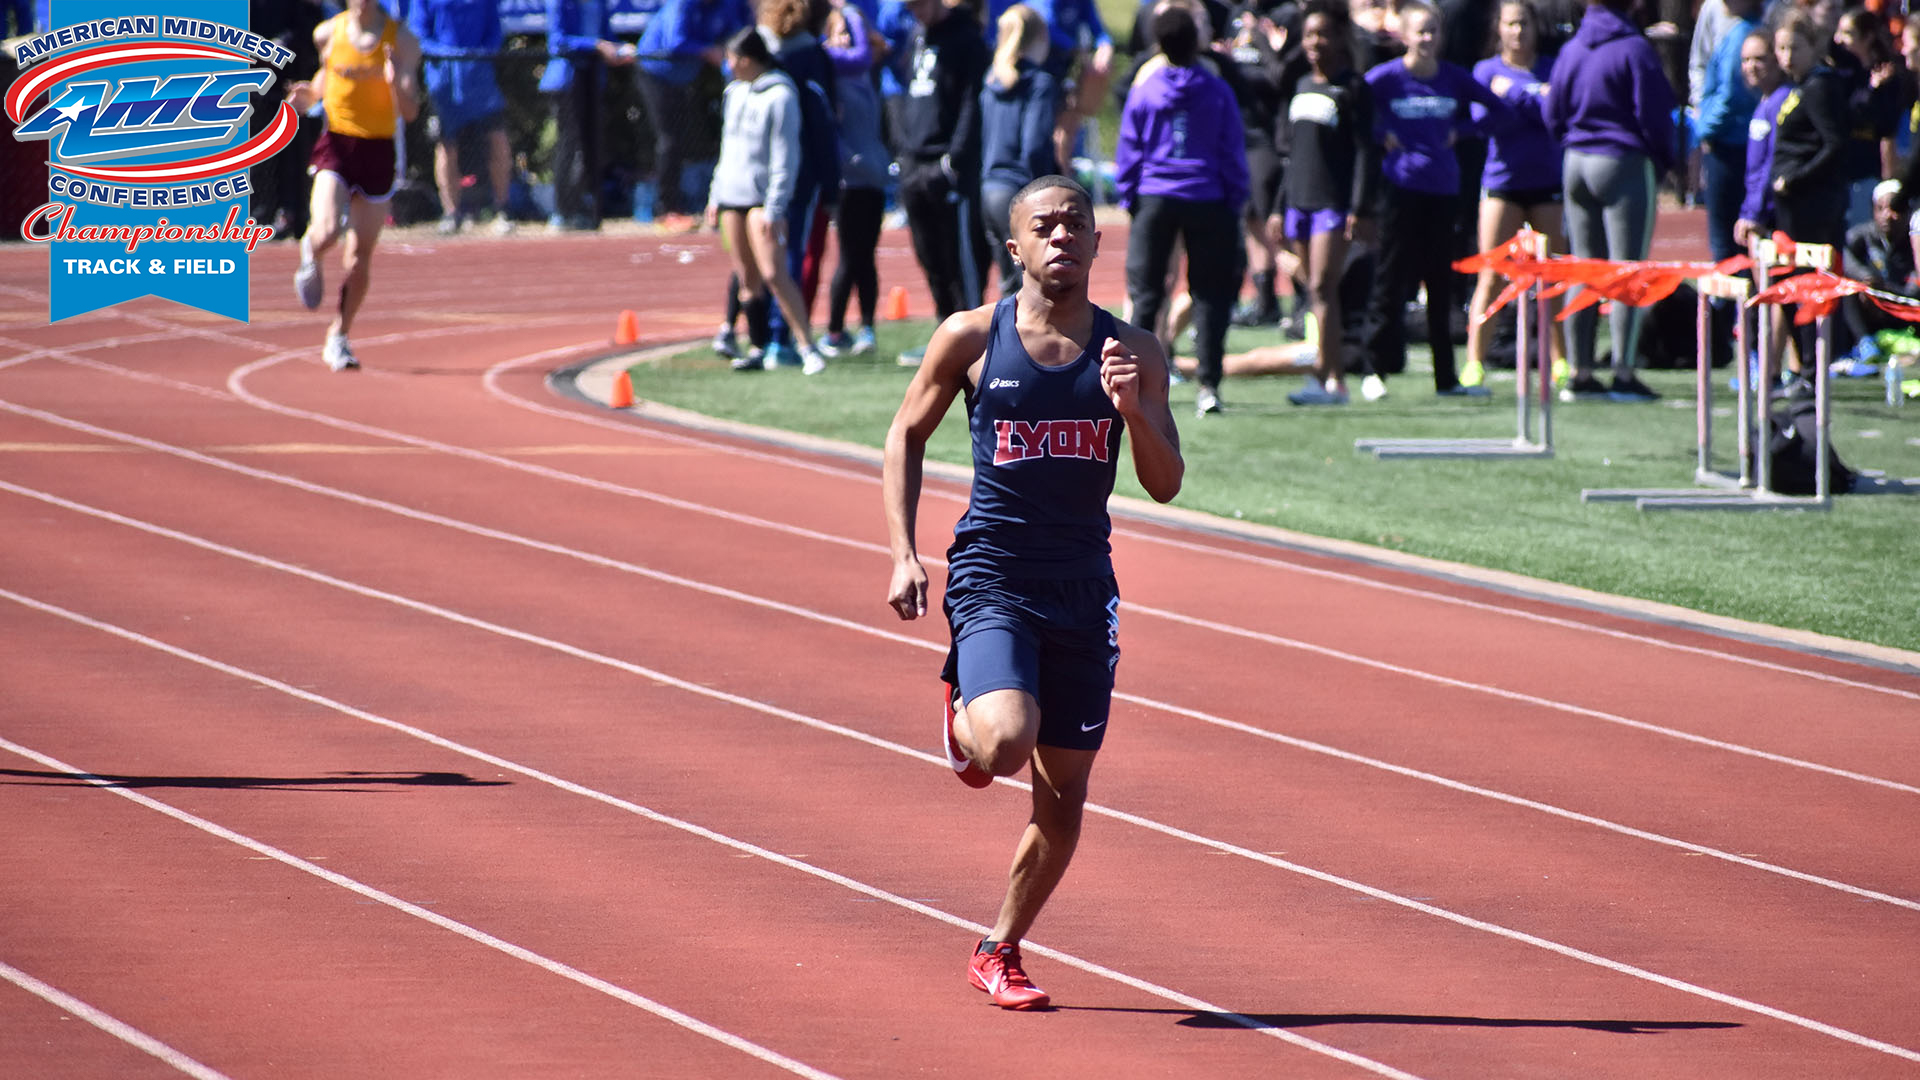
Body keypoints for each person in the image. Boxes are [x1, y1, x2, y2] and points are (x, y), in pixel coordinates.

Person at [881, 174, 1182, 1011]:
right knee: (1007, 742)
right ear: (1015, 248)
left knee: (1063, 794)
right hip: (995, 575)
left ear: (1095, 243)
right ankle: (965, 718)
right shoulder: (973, 338)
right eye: (1043, 227)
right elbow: (905, 433)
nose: (1061, 237)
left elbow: (1165, 485)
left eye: (1074, 225)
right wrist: (904, 552)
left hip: (1086, 589)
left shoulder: (1137, 352)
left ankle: (998, 948)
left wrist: (1133, 410)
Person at [1359, 0, 1509, 400]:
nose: (1426, 38)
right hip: (1399, 191)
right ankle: (1375, 369)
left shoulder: (1455, 78)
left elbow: (1496, 111)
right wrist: (1380, 134)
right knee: (1390, 280)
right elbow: (1354, 108)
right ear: (1404, 35)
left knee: (1441, 284)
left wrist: (1462, 131)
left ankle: (1447, 378)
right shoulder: (1385, 78)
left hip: (1443, 192)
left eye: (1433, 31)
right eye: (1420, 31)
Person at [1114, 4, 1248, 417]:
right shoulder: (1216, 88)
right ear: (1196, 42)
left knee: (1146, 293)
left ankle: (1134, 379)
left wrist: (1129, 196)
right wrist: (1235, 196)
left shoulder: (1146, 87)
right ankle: (1209, 384)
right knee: (1211, 294)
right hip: (1208, 197)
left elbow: (1130, 146)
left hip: (1156, 196)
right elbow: (1231, 147)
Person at [1544, 0, 1676, 401]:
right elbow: (1655, 113)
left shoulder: (1572, 48)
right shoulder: (1634, 48)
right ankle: (1622, 370)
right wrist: (1664, 158)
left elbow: (1552, 111)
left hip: (1576, 162)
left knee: (1584, 267)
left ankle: (1580, 373)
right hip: (1620, 161)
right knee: (1626, 269)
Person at [288, 0, 423, 372]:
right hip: (337, 143)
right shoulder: (328, 32)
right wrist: (311, 95)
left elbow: (410, 111)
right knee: (328, 229)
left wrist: (396, 85)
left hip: (378, 150)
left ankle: (339, 335)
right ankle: (310, 251)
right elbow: (326, 76)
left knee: (360, 257)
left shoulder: (403, 41)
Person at [708, 26, 830, 373]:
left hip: (762, 199)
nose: (727, 65)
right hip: (733, 194)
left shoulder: (781, 94)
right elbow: (726, 149)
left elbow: (784, 156)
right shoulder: (734, 93)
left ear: (747, 59)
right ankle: (758, 346)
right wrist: (715, 194)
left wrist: (776, 206)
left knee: (774, 272)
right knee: (746, 277)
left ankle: (806, 346)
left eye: (731, 58)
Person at [1463, 0, 1568, 389]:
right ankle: (1474, 360)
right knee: (1491, 275)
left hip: (1546, 183)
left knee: (1552, 275)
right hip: (1502, 183)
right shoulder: (1485, 70)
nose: (1518, 31)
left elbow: (1554, 114)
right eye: (1511, 24)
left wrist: (1516, 94)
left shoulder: (1551, 67)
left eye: (1524, 23)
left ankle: (1559, 359)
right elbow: (1485, 120)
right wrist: (1531, 100)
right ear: (1499, 28)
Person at [1283, 0, 1378, 406]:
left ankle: (1333, 380)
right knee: (1313, 291)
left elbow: (1365, 152)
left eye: (1322, 34)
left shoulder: (1354, 88)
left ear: (1339, 38)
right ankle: (1323, 377)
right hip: (1298, 202)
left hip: (1333, 203)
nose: (1314, 42)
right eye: (1308, 34)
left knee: (1323, 287)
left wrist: (1359, 205)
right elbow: (1292, 153)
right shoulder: (1302, 84)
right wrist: (1276, 206)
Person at [897, 0, 993, 330]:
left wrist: (954, 160)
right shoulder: (917, 37)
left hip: (948, 168)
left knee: (961, 262)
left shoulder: (967, 41)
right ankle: (945, 333)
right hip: (914, 162)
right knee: (930, 258)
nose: (916, 12)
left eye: (919, 5)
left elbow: (973, 104)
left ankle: (971, 336)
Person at [1769, 10, 1851, 390]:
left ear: (1814, 47)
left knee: (1810, 287)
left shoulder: (1820, 86)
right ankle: (1803, 367)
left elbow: (1833, 145)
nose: (1787, 57)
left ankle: (1814, 368)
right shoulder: (1796, 87)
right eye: (1781, 48)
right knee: (1788, 285)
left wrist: (1794, 179)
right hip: (1791, 208)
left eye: (1795, 48)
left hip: (1812, 208)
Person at [636, 0, 749, 230]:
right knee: (669, 141)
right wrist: (708, 51)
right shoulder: (682, 5)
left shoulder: (725, 6)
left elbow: (739, 34)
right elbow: (674, 42)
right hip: (655, 73)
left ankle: (679, 205)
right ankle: (665, 209)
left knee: (680, 141)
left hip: (682, 80)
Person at [820, 0, 892, 356]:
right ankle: (834, 331)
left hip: (873, 176)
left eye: (851, 33)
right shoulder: (832, 70)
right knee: (850, 255)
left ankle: (866, 328)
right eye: (839, 33)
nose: (846, 38)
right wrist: (847, 10)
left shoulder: (865, 75)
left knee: (866, 255)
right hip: (848, 178)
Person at [410, 0, 515, 233]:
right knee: (447, 146)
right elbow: (418, 36)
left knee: (497, 139)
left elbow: (494, 32)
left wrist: (478, 56)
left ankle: (503, 210)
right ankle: (451, 213)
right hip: (443, 85)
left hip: (481, 82)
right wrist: (449, 54)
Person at [979, 3, 1061, 298]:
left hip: (990, 189)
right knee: (1036, 288)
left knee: (1010, 285)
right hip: (1020, 188)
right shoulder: (1039, 83)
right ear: (1039, 38)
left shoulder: (991, 82)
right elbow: (1035, 145)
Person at [542, 0, 636, 230]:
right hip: (566, 81)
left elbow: (606, 37)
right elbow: (557, 42)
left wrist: (621, 48)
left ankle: (589, 208)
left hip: (593, 81)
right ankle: (563, 212)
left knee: (591, 145)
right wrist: (595, 45)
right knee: (570, 145)